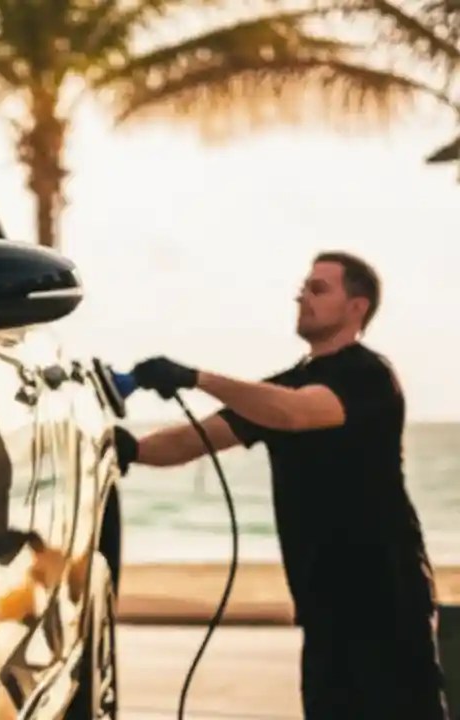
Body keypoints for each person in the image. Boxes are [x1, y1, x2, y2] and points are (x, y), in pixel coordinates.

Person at [113, 251, 450, 719]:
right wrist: (125, 448)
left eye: (319, 289)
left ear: (357, 307)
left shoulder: (368, 375)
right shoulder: (283, 388)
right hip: (321, 605)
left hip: (386, 600)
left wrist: (196, 378)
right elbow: (193, 441)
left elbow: (296, 413)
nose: (303, 297)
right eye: (302, 288)